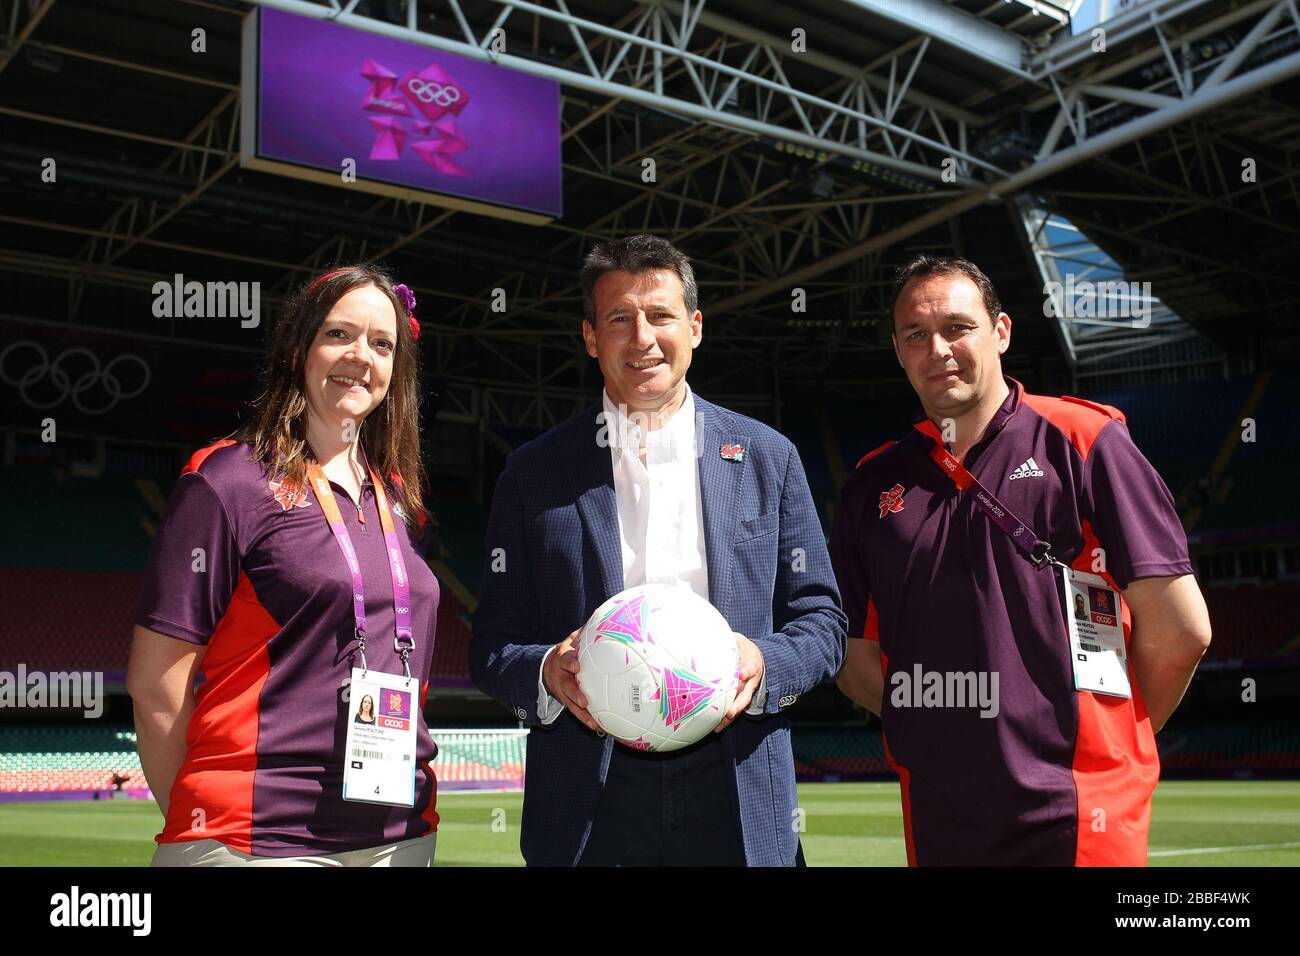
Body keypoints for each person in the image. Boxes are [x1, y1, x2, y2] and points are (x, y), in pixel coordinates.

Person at [470, 235, 846, 866]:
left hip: (737, 787)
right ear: (591, 336)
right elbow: (493, 641)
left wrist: (763, 665)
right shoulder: (533, 473)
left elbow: (823, 622)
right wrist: (544, 671)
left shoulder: (767, 458)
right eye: (620, 318)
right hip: (592, 800)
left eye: (661, 315)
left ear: (694, 328)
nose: (642, 337)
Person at [831, 255, 1212, 866]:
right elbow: (855, 662)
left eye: (958, 327)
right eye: (915, 335)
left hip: (1080, 806)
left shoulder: (1085, 441)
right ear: (898, 352)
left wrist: (1107, 736)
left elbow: (1181, 630)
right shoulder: (871, 485)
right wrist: (945, 721)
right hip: (939, 812)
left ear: (1001, 332)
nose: (938, 349)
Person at [129, 265, 442, 867]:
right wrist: (205, 826)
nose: (360, 356)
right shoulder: (228, 480)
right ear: (298, 348)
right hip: (257, 834)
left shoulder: (398, 497)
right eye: (338, 335)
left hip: (398, 831)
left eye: (381, 344)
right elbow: (155, 687)